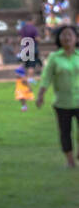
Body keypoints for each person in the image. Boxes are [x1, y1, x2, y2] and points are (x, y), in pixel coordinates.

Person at [35, 25, 79, 167]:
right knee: (65, 133)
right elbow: (46, 77)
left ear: (76, 38)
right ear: (59, 39)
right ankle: (70, 160)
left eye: (70, 35)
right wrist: (40, 95)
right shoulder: (54, 57)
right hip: (62, 103)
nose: (67, 38)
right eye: (63, 35)